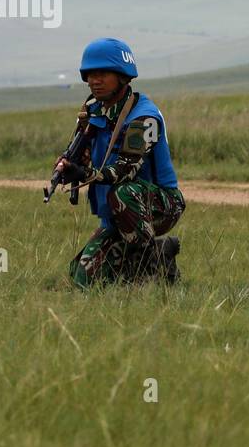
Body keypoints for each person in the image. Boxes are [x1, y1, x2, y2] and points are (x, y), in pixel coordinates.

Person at [59, 38, 184, 287]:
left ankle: (152, 267)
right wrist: (67, 167)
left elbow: (125, 170)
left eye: (103, 74)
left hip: (159, 205)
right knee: (81, 278)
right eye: (90, 74)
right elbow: (76, 152)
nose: (95, 80)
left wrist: (86, 173)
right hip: (119, 216)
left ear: (123, 76)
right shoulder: (92, 113)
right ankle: (154, 253)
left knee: (123, 192)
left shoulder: (145, 117)